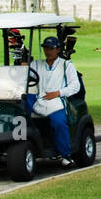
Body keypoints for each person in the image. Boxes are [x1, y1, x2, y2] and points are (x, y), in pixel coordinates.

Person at [26, 36, 81, 168]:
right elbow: (28, 77)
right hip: (40, 99)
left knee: (59, 122)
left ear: (57, 50)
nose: (48, 51)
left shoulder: (66, 65)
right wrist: (23, 67)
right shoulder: (36, 64)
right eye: (46, 48)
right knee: (23, 107)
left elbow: (75, 86)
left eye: (51, 48)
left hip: (57, 99)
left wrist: (58, 93)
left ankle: (66, 155)